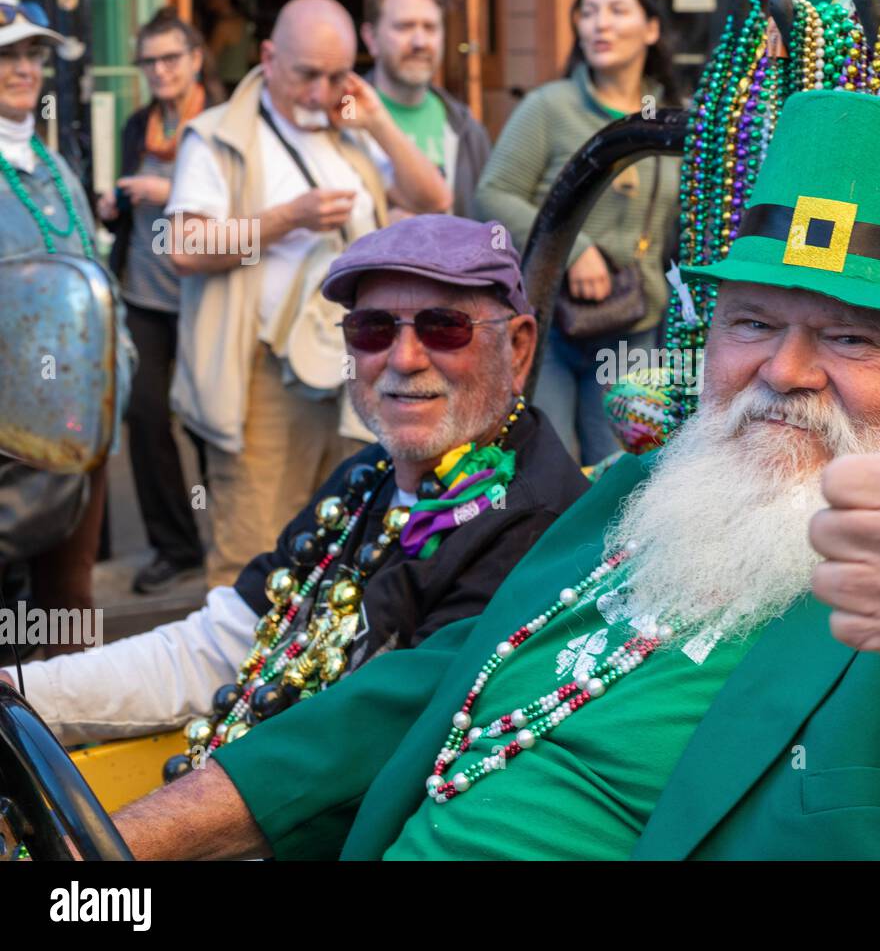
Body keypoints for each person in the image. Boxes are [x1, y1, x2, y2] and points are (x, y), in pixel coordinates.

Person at [113, 90, 880, 860]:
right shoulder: (641, 496)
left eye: (851, 337)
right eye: (752, 321)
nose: (785, 371)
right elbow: (424, 693)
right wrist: (108, 850)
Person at [1, 216, 590, 759]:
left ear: (517, 348)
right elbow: (217, 646)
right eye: (373, 328)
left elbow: (372, 752)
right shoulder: (367, 478)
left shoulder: (537, 525)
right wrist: (20, 692)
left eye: (444, 328)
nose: (404, 358)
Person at [166, 0, 451, 589]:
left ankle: (311, 680)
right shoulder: (216, 135)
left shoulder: (348, 131)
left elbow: (434, 202)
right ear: (268, 57)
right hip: (262, 377)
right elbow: (183, 249)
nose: (320, 93)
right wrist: (285, 219)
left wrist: (376, 119)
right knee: (249, 551)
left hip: (356, 370)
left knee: (336, 547)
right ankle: (235, 678)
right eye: (306, 75)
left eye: (335, 76)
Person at [474, 0, 682, 465]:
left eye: (616, 11)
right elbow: (492, 193)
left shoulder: (671, 114)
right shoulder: (550, 106)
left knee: (620, 468)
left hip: (635, 323)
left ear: (651, 29)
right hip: (551, 324)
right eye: (587, 13)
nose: (598, 25)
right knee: (543, 462)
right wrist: (576, 248)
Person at [0, 0, 135, 655]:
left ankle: (54, 750)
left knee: (68, 613)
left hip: (81, 440)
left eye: (32, 54)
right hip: (9, 444)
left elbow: (98, 283)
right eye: (8, 54)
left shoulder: (56, 169)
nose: (24, 68)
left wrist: (121, 376)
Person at [97, 7, 219, 594]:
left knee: (207, 422)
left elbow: (236, 202)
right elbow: (129, 197)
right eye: (149, 60)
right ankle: (176, 547)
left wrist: (163, 190)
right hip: (144, 293)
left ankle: (236, 543)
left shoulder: (221, 122)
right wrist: (115, 204)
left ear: (195, 58)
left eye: (171, 57)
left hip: (204, 295)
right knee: (145, 416)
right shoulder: (136, 123)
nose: (160, 69)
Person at [360, 0, 490, 218]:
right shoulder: (344, 122)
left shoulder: (467, 130)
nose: (420, 42)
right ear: (370, 37)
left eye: (430, 28)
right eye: (404, 27)